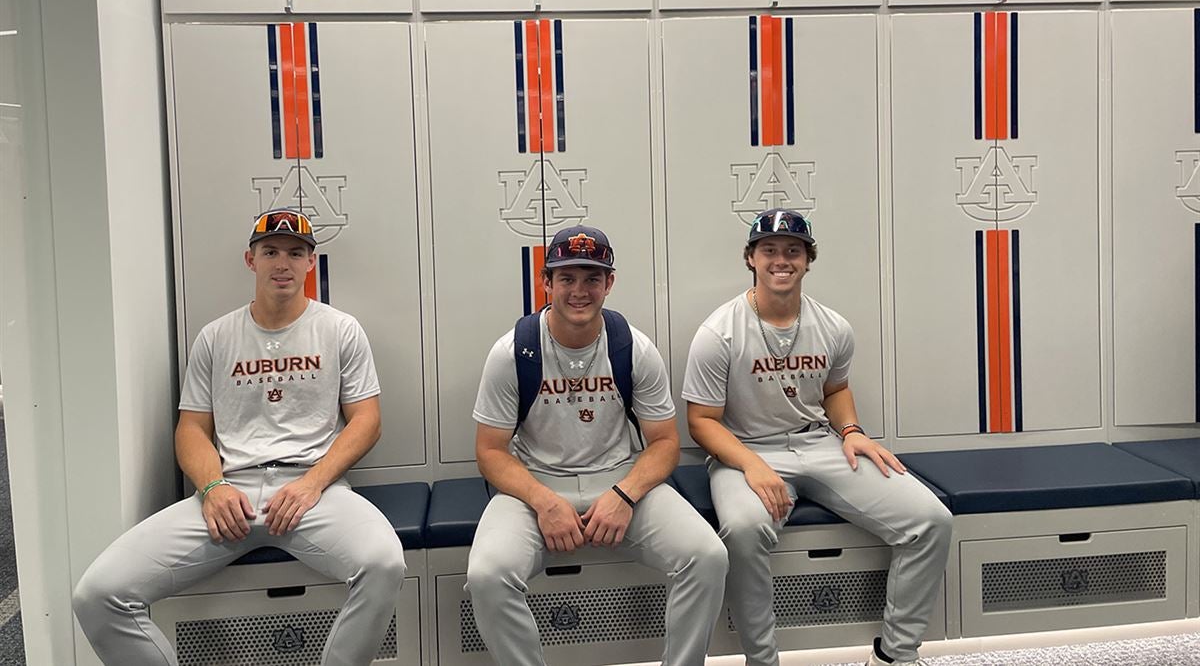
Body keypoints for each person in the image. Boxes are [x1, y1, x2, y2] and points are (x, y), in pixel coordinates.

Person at [72, 209, 406, 666]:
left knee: (384, 564)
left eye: (295, 253)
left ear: (311, 263)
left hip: (312, 491)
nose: (282, 263)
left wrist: (313, 482)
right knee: (98, 594)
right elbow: (191, 429)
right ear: (251, 260)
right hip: (230, 493)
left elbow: (367, 420)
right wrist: (212, 488)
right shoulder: (216, 337)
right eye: (270, 252)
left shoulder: (339, 329)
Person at [682, 208, 952, 666]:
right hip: (745, 452)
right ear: (750, 258)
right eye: (769, 250)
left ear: (808, 260)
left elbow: (836, 388)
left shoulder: (833, 326)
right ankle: (761, 660)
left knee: (931, 520)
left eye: (793, 251)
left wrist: (851, 431)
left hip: (818, 443)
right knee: (744, 530)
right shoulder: (719, 332)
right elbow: (702, 420)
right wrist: (752, 465)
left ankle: (895, 654)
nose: (781, 260)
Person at [467, 225, 728, 666]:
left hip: (620, 479)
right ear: (546, 282)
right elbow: (490, 451)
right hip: (536, 486)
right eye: (566, 278)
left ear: (609, 283)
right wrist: (544, 502)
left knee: (707, 556)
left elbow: (664, 442)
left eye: (592, 278)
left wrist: (625, 495)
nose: (579, 291)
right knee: (487, 575)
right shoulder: (514, 351)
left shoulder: (633, 347)